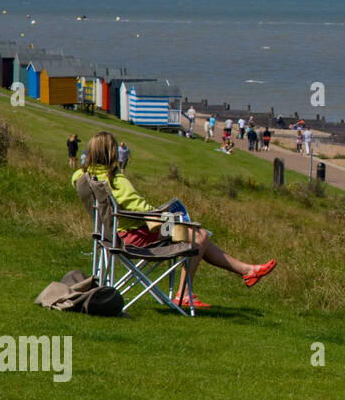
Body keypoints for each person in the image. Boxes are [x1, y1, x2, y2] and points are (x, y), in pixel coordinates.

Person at [73, 131, 276, 309]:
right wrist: (168, 214)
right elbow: (142, 209)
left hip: (110, 235)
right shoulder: (116, 181)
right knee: (199, 234)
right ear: (112, 153)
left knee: (198, 235)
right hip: (136, 237)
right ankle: (184, 294)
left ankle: (247, 271)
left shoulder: (82, 178)